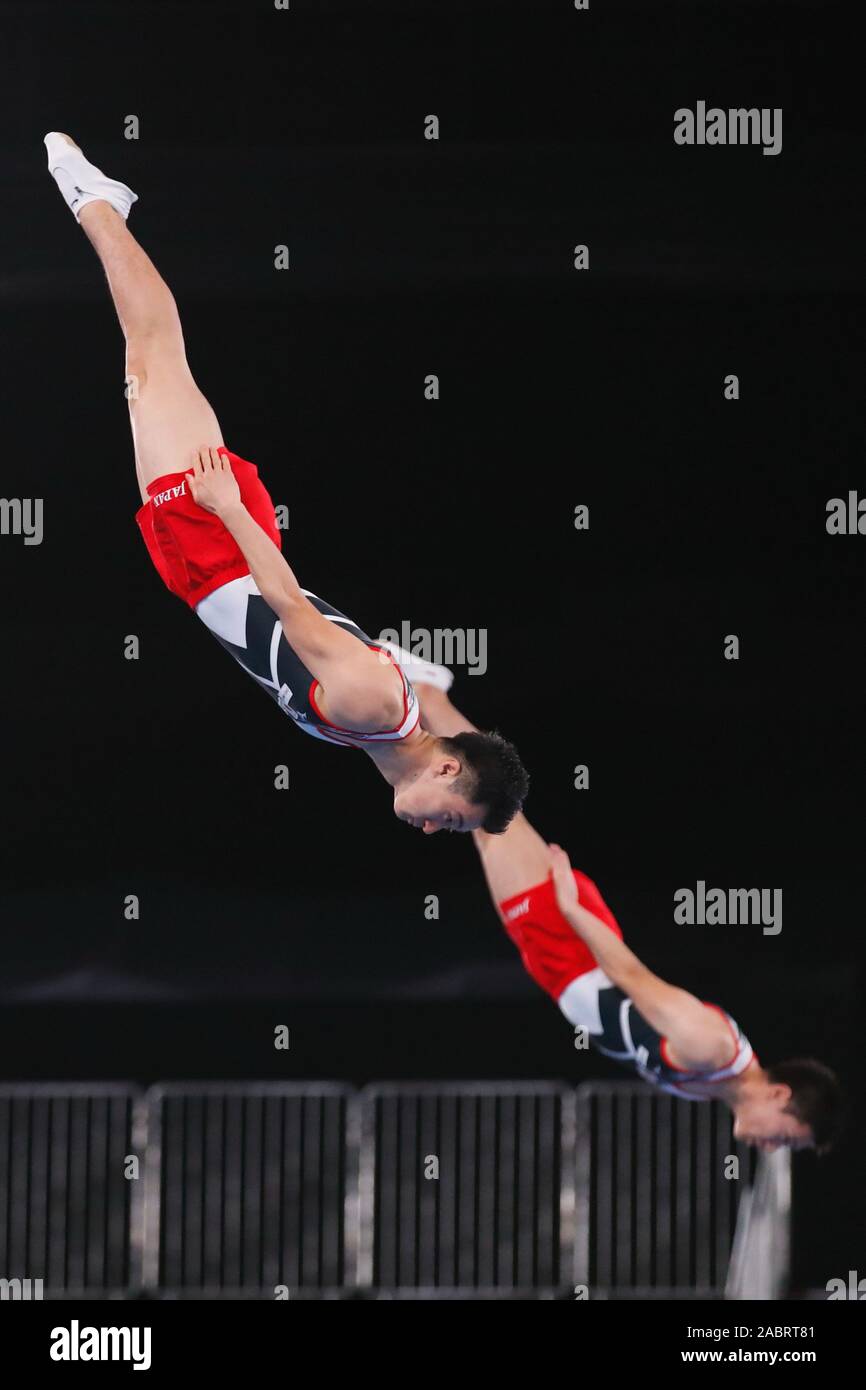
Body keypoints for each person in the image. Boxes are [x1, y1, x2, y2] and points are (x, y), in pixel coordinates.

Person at [43, 133, 528, 835]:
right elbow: (287, 603)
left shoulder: (390, 734)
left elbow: (385, 685)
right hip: (225, 547)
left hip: (209, 569)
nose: (431, 830)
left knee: (147, 372)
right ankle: (99, 204)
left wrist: (412, 669)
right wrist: (228, 509)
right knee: (150, 360)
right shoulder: (374, 709)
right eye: (450, 821)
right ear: (447, 770)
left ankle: (101, 207)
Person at [414, 675, 844, 1153]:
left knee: (486, 823)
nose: (770, 1146)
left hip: (558, 962)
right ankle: (425, 694)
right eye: (783, 1136)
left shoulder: (705, 1086)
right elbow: (629, 974)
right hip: (569, 936)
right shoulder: (711, 1047)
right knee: (488, 816)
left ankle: (425, 701)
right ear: (779, 1093)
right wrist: (572, 908)